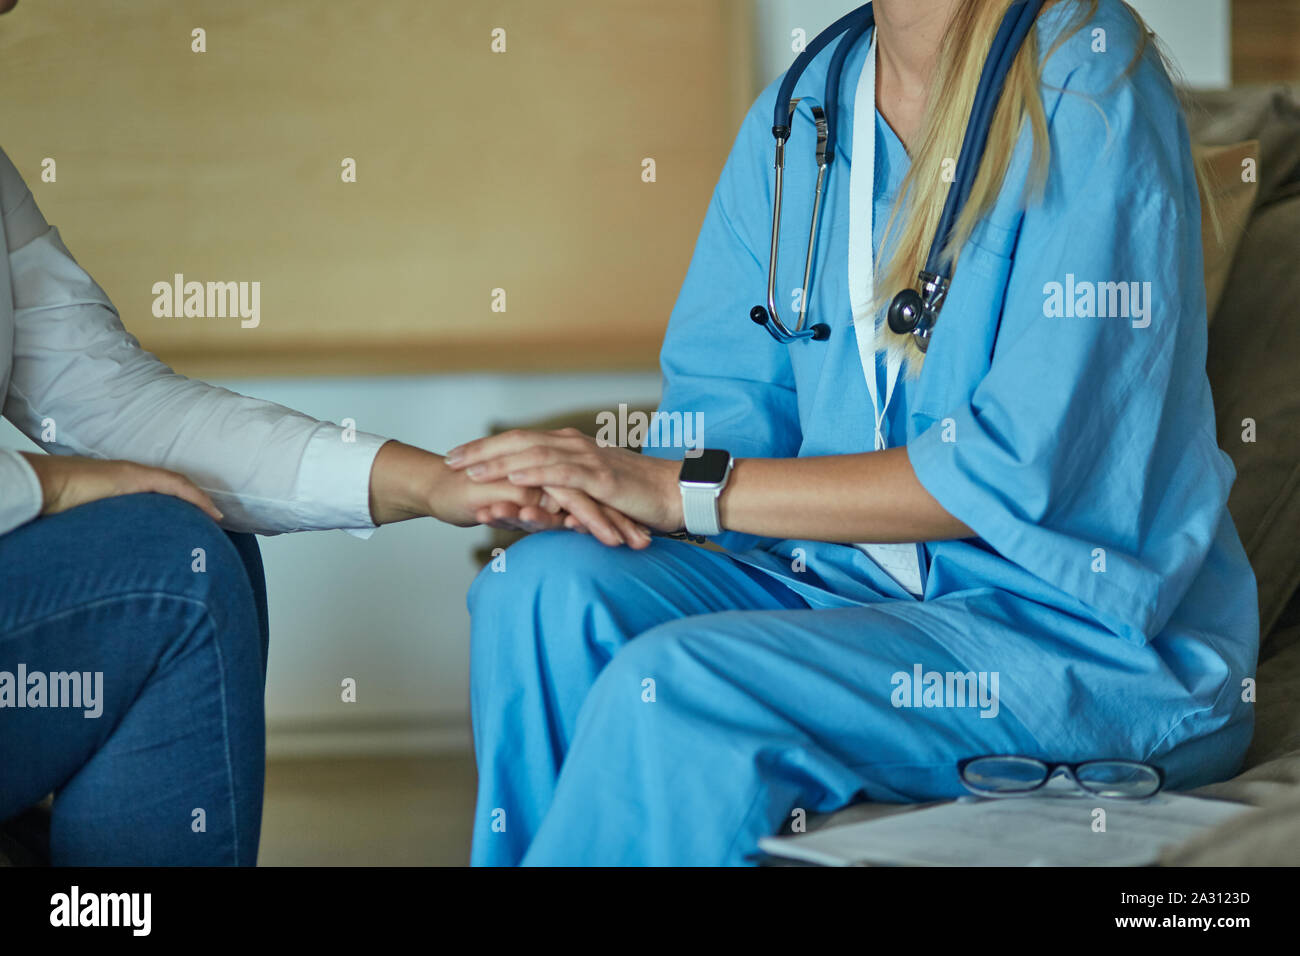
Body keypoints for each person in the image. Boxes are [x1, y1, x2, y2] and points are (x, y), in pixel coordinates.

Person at [450, 0, 1260, 866]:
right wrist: (603, 490)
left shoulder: (1090, 70)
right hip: (839, 584)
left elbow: (1013, 470)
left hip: (1068, 636)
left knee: (683, 687)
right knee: (540, 592)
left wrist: (684, 490)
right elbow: (723, 408)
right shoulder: (802, 111)